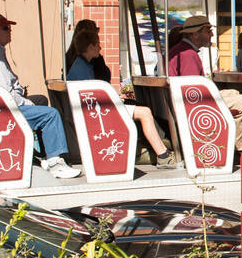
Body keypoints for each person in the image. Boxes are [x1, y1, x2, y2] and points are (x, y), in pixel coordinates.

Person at [0, 12, 81, 179]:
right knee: (50, 114)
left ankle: (41, 155)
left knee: (41, 99)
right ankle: (56, 161)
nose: (9, 31)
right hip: (0, 112)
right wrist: (27, 103)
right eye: (5, 28)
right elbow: (5, 95)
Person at [69, 31, 177, 167]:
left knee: (136, 105)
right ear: (90, 46)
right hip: (97, 113)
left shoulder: (83, 65)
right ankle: (163, 155)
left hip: (94, 110)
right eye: (98, 44)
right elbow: (91, 96)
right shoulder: (82, 69)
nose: (100, 48)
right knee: (144, 113)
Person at [167, 16, 242, 148]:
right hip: (193, 106)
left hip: (185, 101)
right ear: (195, 34)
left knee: (234, 92)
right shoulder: (188, 55)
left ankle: (234, 145)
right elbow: (194, 91)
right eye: (208, 31)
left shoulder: (183, 50)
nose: (212, 35)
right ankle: (240, 148)